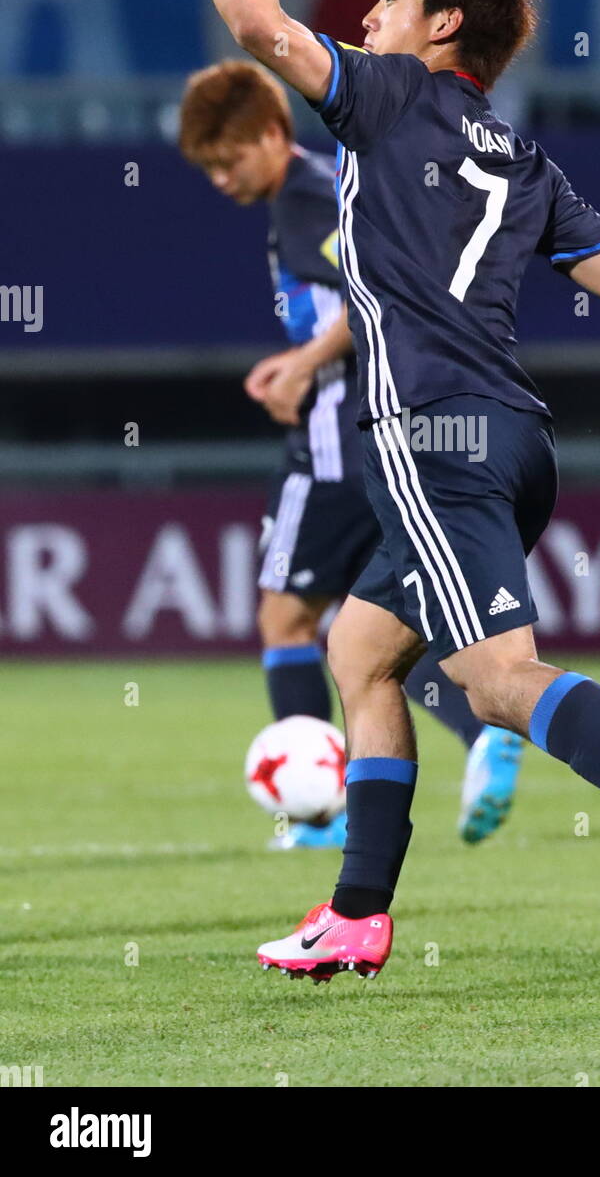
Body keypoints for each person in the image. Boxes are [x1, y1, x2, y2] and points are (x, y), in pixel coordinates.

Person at [162, 0, 600, 981]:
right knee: (362, 651)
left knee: (489, 679)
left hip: (432, 441)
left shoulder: (384, 100)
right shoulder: (523, 157)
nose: (371, 13)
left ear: (440, 30)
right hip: (512, 440)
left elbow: (253, 25)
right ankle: (357, 913)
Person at [178, 58, 524, 848]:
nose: (222, 180)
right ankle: (487, 730)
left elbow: (374, 296)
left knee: (285, 616)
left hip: (335, 447)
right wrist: (296, 357)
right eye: (209, 168)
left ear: (272, 133)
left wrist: (302, 365)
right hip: (384, 438)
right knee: (376, 630)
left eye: (229, 160)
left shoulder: (304, 197)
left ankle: (319, 812)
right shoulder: (311, 192)